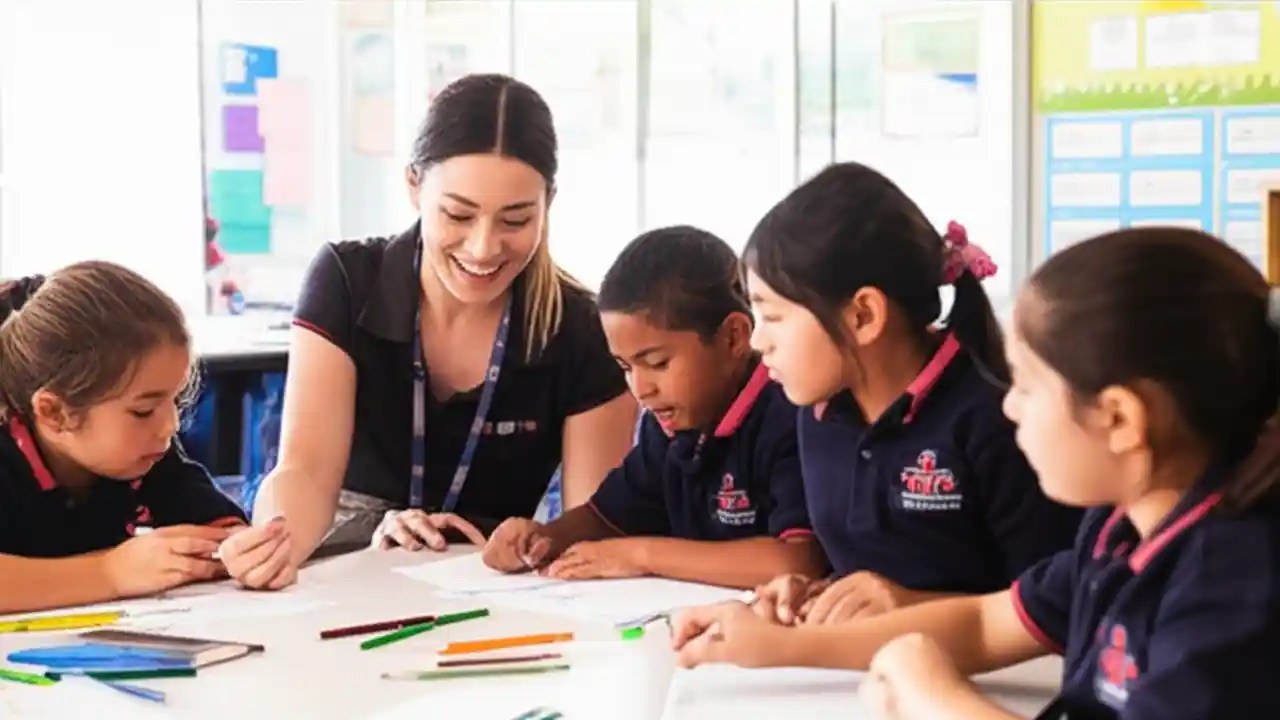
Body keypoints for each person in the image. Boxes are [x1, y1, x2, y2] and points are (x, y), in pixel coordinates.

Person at [671, 228, 1280, 720]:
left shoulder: (1234, 586)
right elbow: (988, 622)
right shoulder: (1120, 530)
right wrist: (779, 647)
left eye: (1028, 387)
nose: (1009, 407)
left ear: (1119, 419)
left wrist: (936, 697)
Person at [225, 74, 636, 588]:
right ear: (414, 186)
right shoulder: (348, 281)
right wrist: (275, 543)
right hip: (344, 577)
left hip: (497, 593)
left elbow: (593, 525)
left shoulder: (580, 330)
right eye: (458, 215)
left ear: (548, 201)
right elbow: (304, 472)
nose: (483, 248)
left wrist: (529, 544)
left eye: (515, 220)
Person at [744, 162, 1080, 624]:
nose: (756, 341)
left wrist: (910, 608)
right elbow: (870, 575)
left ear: (863, 315)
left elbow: (1066, 603)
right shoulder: (817, 415)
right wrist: (818, 596)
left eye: (773, 317)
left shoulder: (999, 419)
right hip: (870, 673)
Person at [482, 226, 824, 588]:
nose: (640, 389)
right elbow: (609, 517)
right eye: (626, 367)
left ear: (734, 337)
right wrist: (540, 538)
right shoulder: (666, 424)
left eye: (658, 363)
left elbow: (796, 561)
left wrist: (641, 555)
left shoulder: (789, 415)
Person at [0, 263, 254, 614]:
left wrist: (242, 548)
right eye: (143, 411)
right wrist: (109, 572)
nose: (170, 425)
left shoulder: (143, 450)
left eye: (175, 400)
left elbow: (204, 513)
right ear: (54, 413)